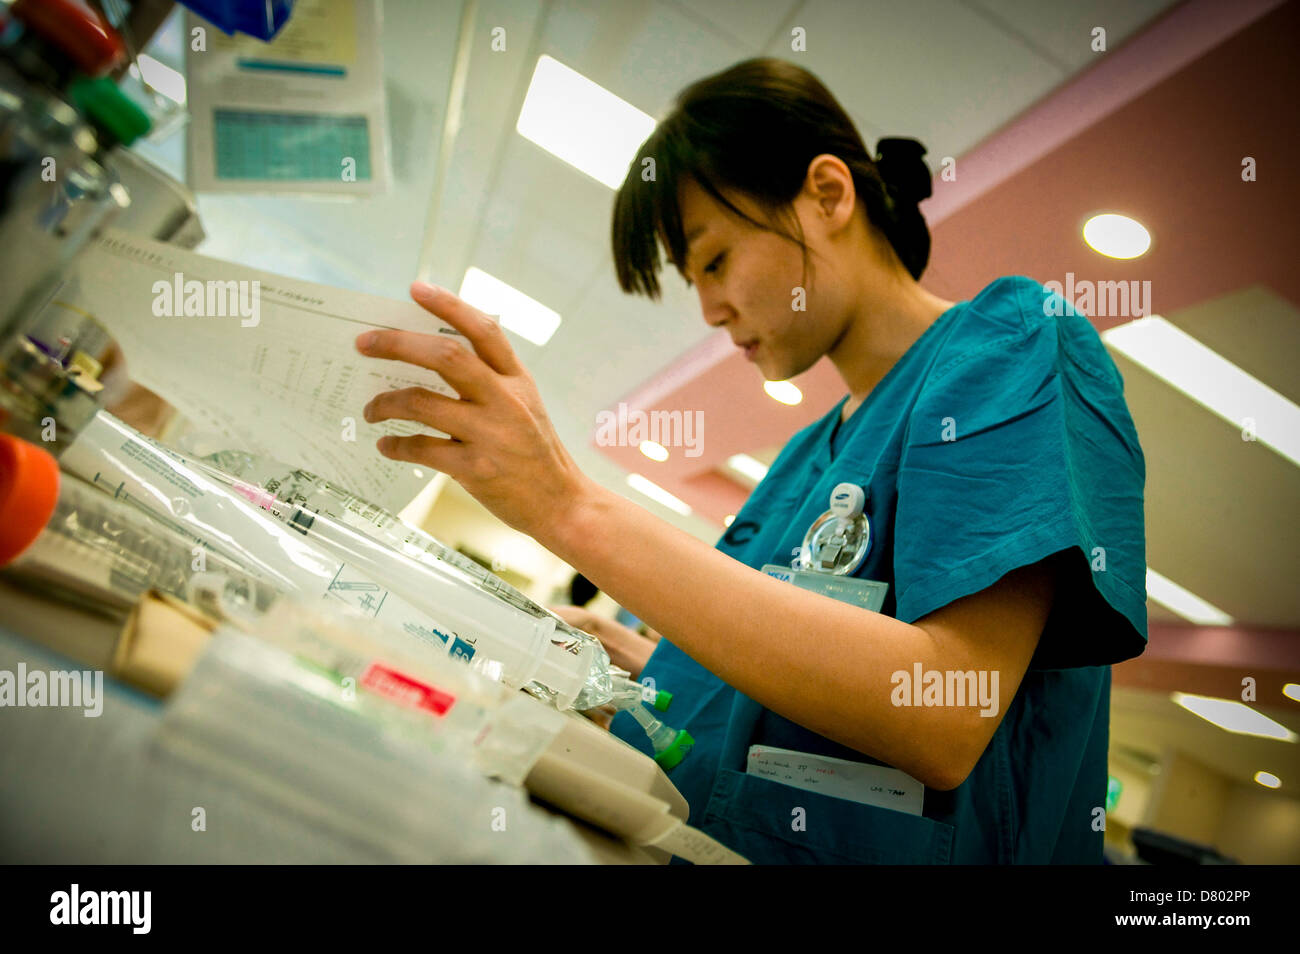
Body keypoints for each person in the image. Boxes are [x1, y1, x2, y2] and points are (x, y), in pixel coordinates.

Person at [354, 58, 1147, 864]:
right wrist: (634, 659)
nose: (709, 309)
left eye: (716, 260)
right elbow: (784, 678)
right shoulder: (808, 453)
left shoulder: (1014, 344)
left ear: (828, 194)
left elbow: (944, 709)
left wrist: (568, 506)